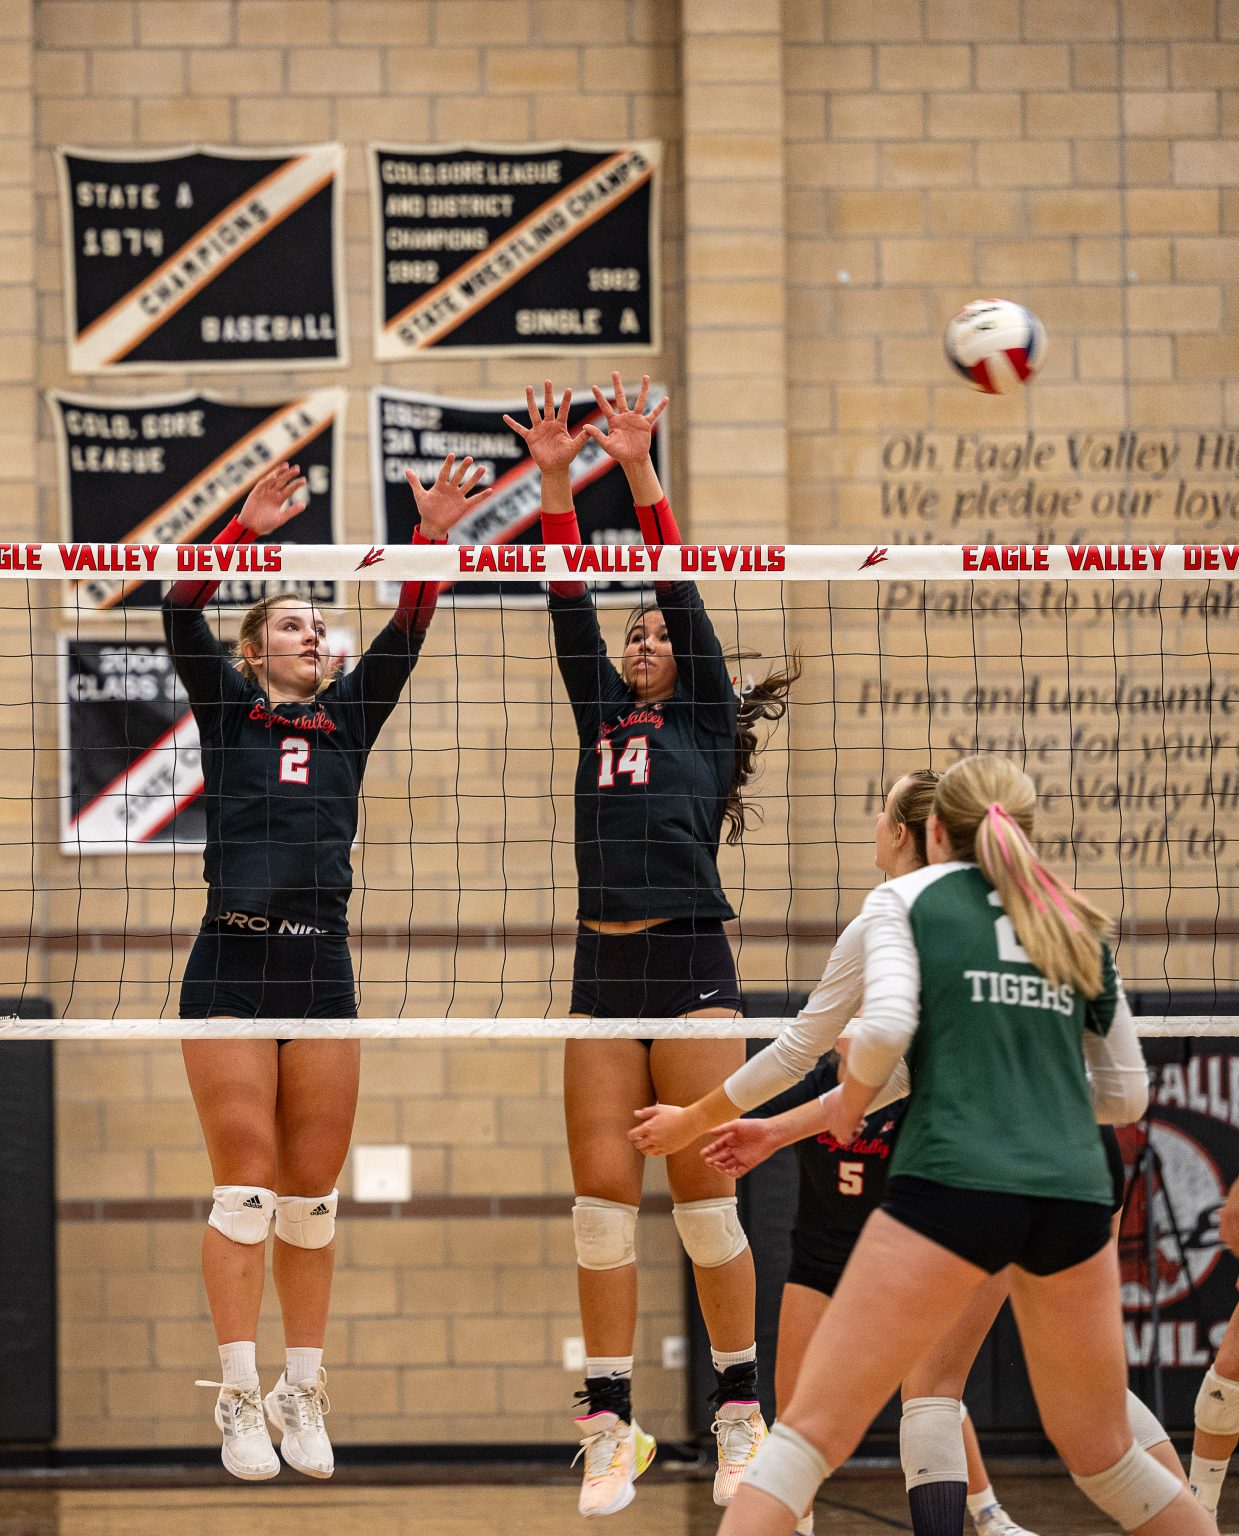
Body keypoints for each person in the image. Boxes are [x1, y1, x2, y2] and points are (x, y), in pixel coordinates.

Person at [701, 753, 1212, 1536]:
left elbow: (881, 1031)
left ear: (933, 828)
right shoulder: (1074, 918)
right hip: (1073, 1192)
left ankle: (977, 1512)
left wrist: (853, 1101)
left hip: (955, 1181)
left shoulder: (903, 897)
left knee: (804, 1441)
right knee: (1105, 1458)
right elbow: (1127, 1098)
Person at [503, 376, 798, 1517]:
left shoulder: (703, 719)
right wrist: (551, 476)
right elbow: (564, 597)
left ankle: (738, 1413)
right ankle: (611, 1423)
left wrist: (633, 464)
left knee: (704, 1204)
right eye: (634, 634)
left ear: (687, 659)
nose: (642, 637)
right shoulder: (599, 712)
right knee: (596, 1204)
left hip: (688, 967)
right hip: (600, 965)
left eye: (658, 634)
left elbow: (676, 577)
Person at [163, 454, 488, 1482]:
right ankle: (241, 1394)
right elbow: (180, 607)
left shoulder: (348, 717)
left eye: (319, 626)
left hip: (323, 968)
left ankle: (303, 1388)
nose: (315, 636)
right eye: (294, 626)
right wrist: (244, 524)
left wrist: (432, 535)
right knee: (245, 1187)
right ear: (257, 654)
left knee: (310, 1196)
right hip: (231, 962)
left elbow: (410, 632)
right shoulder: (228, 709)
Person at [636, 770, 1037, 1534]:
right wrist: (784, 1125)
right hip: (1045, 1177)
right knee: (1071, 1422)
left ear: (905, 835)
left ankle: (979, 1511)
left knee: (837, 1414)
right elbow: (1117, 1091)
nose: (872, 830)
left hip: (941, 1174)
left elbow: (810, 1051)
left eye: (879, 815)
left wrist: (697, 1120)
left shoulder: (888, 913)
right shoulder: (1037, 915)